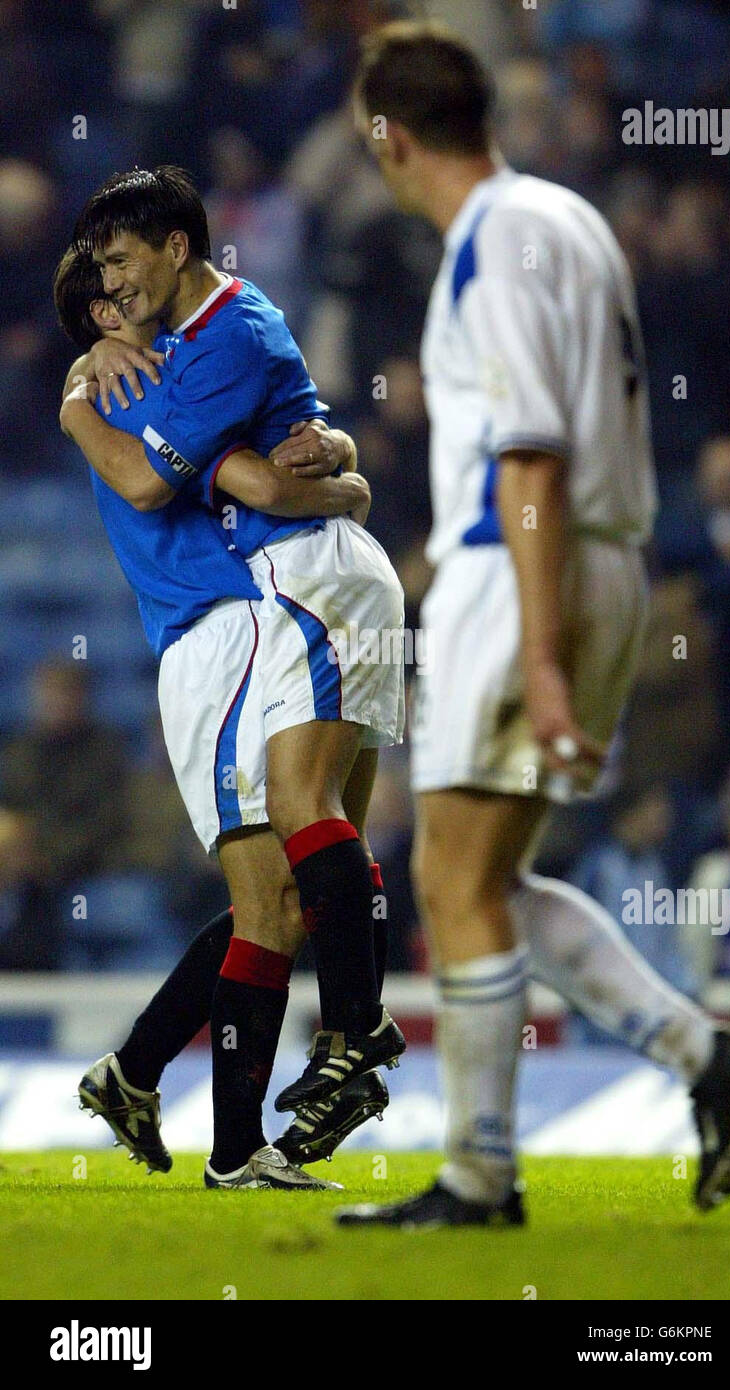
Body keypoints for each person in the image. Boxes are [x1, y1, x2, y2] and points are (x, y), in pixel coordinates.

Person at [337, 21, 730, 1226]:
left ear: (390, 136)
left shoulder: (495, 240)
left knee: (450, 871)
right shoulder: (567, 217)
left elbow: (529, 451)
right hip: (599, 560)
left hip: (531, 566)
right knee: (485, 868)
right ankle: (705, 1056)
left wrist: (535, 647)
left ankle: (480, 1174)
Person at [56, 168, 406, 1183]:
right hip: (217, 627)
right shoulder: (132, 380)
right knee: (282, 891)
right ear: (89, 321)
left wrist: (342, 465)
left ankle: (249, 1097)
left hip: (262, 611)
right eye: (102, 297)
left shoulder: (199, 351)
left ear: (171, 250)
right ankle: (320, 1058)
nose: (119, 305)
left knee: (285, 891)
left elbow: (259, 458)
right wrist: (80, 392)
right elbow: (205, 476)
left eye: (124, 279)